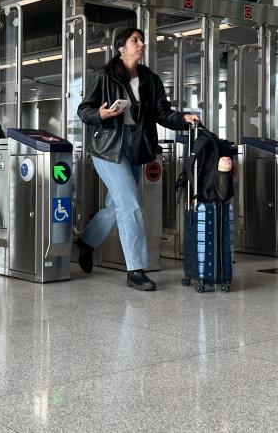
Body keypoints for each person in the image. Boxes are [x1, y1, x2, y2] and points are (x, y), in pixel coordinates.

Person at [76, 27, 200, 291]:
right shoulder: (104, 76)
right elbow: (84, 111)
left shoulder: (150, 79)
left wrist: (183, 118)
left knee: (116, 206)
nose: (141, 44)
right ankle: (135, 270)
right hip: (108, 148)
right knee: (131, 204)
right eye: (135, 40)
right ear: (121, 47)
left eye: (142, 40)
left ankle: (86, 242)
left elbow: (163, 114)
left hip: (135, 148)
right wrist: (100, 114)